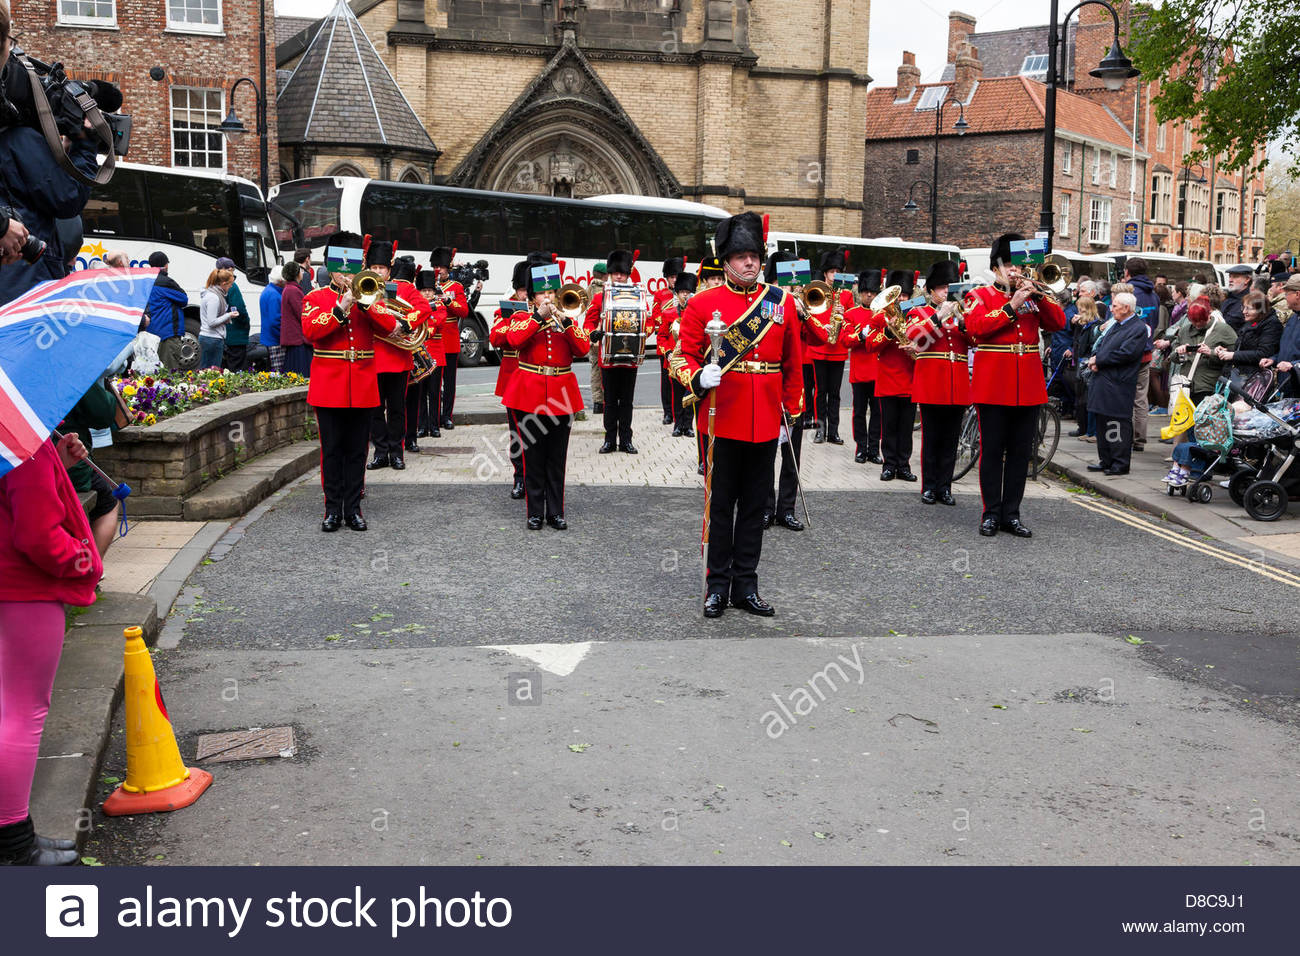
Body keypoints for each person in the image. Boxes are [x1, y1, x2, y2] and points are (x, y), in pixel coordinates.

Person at [674, 212, 803, 618]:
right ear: (726, 260)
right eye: (741, 256)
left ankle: (746, 585)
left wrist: (790, 415)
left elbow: (792, 364)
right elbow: (680, 355)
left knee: (753, 509)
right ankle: (717, 586)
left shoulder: (780, 302)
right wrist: (698, 377)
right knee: (720, 507)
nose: (750, 263)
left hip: (765, 420)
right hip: (720, 418)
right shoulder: (702, 303)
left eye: (754, 256)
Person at [0, 433, 103, 866]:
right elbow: (39, 536)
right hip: (23, 590)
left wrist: (56, 461)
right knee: (22, 712)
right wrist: (85, 559)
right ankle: (13, 846)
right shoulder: (18, 439)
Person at [963, 233, 1067, 538]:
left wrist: (1039, 296)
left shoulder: (1034, 297)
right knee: (992, 451)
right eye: (1008, 265)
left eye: (1018, 265)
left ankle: (1011, 514)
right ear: (996, 268)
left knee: (1021, 454)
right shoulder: (979, 296)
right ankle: (991, 513)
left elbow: (1058, 323)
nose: (1015, 271)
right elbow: (976, 329)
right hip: (994, 385)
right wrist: (1011, 306)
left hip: (1028, 386)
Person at [301, 231, 404, 532]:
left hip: (362, 385)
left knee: (358, 451)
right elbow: (311, 331)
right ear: (330, 267)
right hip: (328, 386)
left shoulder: (369, 296)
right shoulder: (315, 298)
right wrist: (341, 306)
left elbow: (390, 326)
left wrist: (365, 303)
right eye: (339, 268)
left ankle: (354, 509)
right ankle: (332, 510)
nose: (345, 274)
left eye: (351, 267)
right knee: (332, 450)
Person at [502, 254, 592, 529]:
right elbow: (514, 339)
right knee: (533, 457)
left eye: (552, 292)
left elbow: (583, 349)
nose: (549, 298)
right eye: (543, 293)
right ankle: (534, 512)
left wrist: (566, 322)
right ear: (532, 297)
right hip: (528, 393)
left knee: (557, 457)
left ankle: (555, 512)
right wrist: (538, 318)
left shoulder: (567, 319)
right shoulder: (522, 317)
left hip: (561, 394)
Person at [760, 251, 837, 531]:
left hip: (794, 393)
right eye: (785, 283)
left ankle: (786, 510)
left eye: (794, 283)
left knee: (791, 456)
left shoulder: (800, 308)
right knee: (766, 456)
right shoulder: (765, 304)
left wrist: (803, 313)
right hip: (768, 390)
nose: (792, 288)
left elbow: (822, 338)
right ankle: (765, 508)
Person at [365, 239, 431, 472]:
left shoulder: (405, 289)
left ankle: (397, 453)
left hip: (397, 358)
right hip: (372, 358)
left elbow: (424, 308)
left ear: (389, 270)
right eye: (374, 268)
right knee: (374, 410)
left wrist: (404, 324)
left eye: (381, 268)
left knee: (396, 410)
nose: (378, 272)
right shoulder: (362, 288)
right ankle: (380, 452)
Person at [906, 260, 968, 505]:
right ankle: (929, 486)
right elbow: (913, 334)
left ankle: (945, 487)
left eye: (948, 288)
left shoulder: (959, 312)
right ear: (931, 290)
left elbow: (975, 339)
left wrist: (963, 321)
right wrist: (938, 317)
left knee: (951, 439)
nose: (946, 292)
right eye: (942, 288)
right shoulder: (919, 312)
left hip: (957, 383)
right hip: (932, 383)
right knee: (932, 438)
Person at [585, 249, 644, 454]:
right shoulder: (600, 297)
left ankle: (626, 440)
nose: (619, 276)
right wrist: (593, 334)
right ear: (609, 274)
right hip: (608, 359)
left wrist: (643, 332)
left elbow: (647, 322)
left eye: (623, 273)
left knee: (627, 402)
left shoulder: (638, 296)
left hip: (630, 358)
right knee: (609, 401)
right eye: (615, 273)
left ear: (628, 274)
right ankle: (609, 440)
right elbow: (588, 322)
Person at [489, 257, 539, 499]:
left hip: (540, 377)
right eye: (521, 290)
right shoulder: (505, 309)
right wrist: (516, 323)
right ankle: (519, 477)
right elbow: (496, 337)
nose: (524, 295)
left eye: (527, 291)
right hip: (514, 377)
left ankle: (537, 478)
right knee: (518, 432)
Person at [862, 269, 919, 482]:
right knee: (889, 427)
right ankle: (889, 465)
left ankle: (903, 465)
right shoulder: (879, 318)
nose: (901, 299)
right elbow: (870, 345)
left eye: (905, 295)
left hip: (910, 380)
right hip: (887, 380)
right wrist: (888, 331)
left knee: (906, 428)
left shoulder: (916, 316)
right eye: (899, 295)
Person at [1085, 291, 1147, 476]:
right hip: (1104, 381)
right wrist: (1096, 359)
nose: (1111, 309)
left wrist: (1099, 360)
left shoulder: (1137, 328)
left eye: (1115, 306)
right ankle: (1106, 460)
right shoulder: (1117, 324)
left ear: (1126, 308)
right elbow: (1103, 345)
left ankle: (1119, 463)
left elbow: (1126, 353)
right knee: (1103, 422)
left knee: (1116, 424)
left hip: (1118, 384)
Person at [60, 378, 121, 556]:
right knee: (109, 501)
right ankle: (91, 566)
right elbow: (101, 413)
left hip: (17, 464)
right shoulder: (64, 369)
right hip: (66, 469)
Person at [807, 250, 854, 444]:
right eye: (832, 271)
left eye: (837, 271)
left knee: (834, 393)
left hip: (838, 349)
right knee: (820, 392)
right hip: (819, 348)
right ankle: (820, 430)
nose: (835, 275)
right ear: (825, 273)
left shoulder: (847, 294)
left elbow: (852, 320)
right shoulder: (816, 290)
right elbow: (810, 315)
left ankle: (833, 432)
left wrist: (845, 313)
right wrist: (821, 327)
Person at [1157, 297, 1234, 410]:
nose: (1197, 324)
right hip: (1185, 385)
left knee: (1203, 419)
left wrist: (1211, 352)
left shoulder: (1223, 330)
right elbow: (1173, 357)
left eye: (1200, 321)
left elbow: (1234, 357)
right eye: (1194, 321)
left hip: (1209, 386)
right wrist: (1179, 352)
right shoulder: (1185, 330)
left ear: (1208, 314)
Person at [428, 247, 469, 430]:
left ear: (448, 268)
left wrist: (448, 301)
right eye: (436, 267)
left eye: (441, 267)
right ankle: (434, 417)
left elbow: (464, 311)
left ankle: (447, 416)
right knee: (433, 383)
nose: (438, 270)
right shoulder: (428, 285)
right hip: (433, 337)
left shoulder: (456, 287)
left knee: (449, 381)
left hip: (450, 338)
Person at [1121, 257, 1159, 452]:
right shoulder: (1153, 294)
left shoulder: (1128, 293)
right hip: (1146, 351)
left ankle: (1125, 437)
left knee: (1124, 395)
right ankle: (1139, 438)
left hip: (1128, 351)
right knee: (1141, 398)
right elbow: (1156, 321)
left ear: (1127, 272)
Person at [846, 269, 883, 464]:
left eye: (873, 292)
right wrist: (861, 336)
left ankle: (874, 449)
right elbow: (845, 340)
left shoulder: (884, 315)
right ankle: (861, 448)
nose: (869, 295)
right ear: (860, 292)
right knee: (859, 412)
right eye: (866, 291)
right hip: (859, 371)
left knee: (877, 413)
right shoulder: (851, 314)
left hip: (878, 371)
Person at [410, 266, 449, 442]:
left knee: (434, 393)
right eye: (424, 290)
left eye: (430, 291)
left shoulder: (439, 306)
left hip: (435, 353)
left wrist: (423, 317)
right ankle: (422, 426)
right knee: (419, 393)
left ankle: (434, 426)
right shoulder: (414, 306)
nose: (427, 293)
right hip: (419, 353)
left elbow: (436, 323)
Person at [657, 270, 696, 439]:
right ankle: (678, 425)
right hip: (674, 360)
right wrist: (667, 352)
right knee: (676, 394)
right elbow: (661, 337)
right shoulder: (668, 313)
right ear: (677, 293)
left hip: (691, 360)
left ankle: (688, 425)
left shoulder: (695, 313)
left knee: (690, 393)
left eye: (688, 292)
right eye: (682, 292)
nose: (685, 295)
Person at [1216, 291, 1282, 378]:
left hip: (1254, 376)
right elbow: (1244, 347)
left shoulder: (1271, 325)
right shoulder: (1252, 321)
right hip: (1239, 373)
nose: (1244, 311)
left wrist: (1233, 355)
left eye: (1248, 309)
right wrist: (1226, 351)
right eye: (1243, 307)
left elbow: (1264, 353)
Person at [144, 251, 193, 370]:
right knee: (169, 372)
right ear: (165, 265)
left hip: (149, 334)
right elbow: (184, 299)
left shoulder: (145, 281)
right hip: (167, 334)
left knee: (152, 372)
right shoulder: (166, 282)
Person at [1067, 294, 1104, 441]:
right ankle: (1086, 429)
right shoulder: (1083, 324)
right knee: (1082, 397)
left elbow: (1089, 345)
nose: (1078, 312)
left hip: (1087, 363)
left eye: (1081, 309)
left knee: (1088, 398)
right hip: (1081, 362)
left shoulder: (1094, 325)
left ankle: (1091, 430)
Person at [653, 258, 684, 425]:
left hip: (682, 343)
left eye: (677, 276)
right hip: (667, 343)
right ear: (667, 278)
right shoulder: (660, 294)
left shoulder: (686, 294)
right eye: (672, 277)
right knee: (666, 380)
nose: (674, 280)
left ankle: (681, 413)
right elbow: (655, 315)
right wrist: (670, 318)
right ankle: (668, 412)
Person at [1260, 275, 1300, 397]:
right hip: (1288, 387)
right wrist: (1273, 359)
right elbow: (1288, 349)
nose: (1284, 297)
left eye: (1287, 293)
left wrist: (1293, 365)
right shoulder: (1293, 318)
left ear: (1297, 294)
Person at [213, 257, 250, 371]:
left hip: (223, 334)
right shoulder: (232, 286)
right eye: (231, 270)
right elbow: (239, 309)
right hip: (236, 334)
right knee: (237, 368)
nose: (233, 273)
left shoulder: (214, 285)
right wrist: (246, 322)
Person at [198, 267, 237, 369]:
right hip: (212, 339)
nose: (231, 286)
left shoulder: (211, 294)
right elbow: (212, 322)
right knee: (213, 372)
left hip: (208, 338)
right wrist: (228, 315)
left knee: (205, 371)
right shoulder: (214, 298)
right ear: (223, 284)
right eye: (230, 284)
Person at [280, 261, 311, 377]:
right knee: (302, 374)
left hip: (294, 338)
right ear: (297, 274)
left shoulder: (289, 288)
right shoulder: (293, 290)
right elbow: (302, 314)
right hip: (298, 339)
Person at [587, 262, 607, 414]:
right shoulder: (603, 290)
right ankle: (604, 401)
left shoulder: (588, 289)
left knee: (594, 370)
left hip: (592, 335)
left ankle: (597, 403)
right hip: (602, 336)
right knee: (604, 371)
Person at [260, 264, 288, 372]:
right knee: (278, 372)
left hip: (269, 339)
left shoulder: (268, 290)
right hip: (275, 341)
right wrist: (284, 338)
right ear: (280, 281)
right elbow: (275, 321)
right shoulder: (275, 296)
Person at [1220, 264, 1253, 331]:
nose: (1230, 280)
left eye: (1235, 277)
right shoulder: (1227, 298)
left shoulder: (1251, 301)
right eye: (1230, 276)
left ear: (1247, 280)